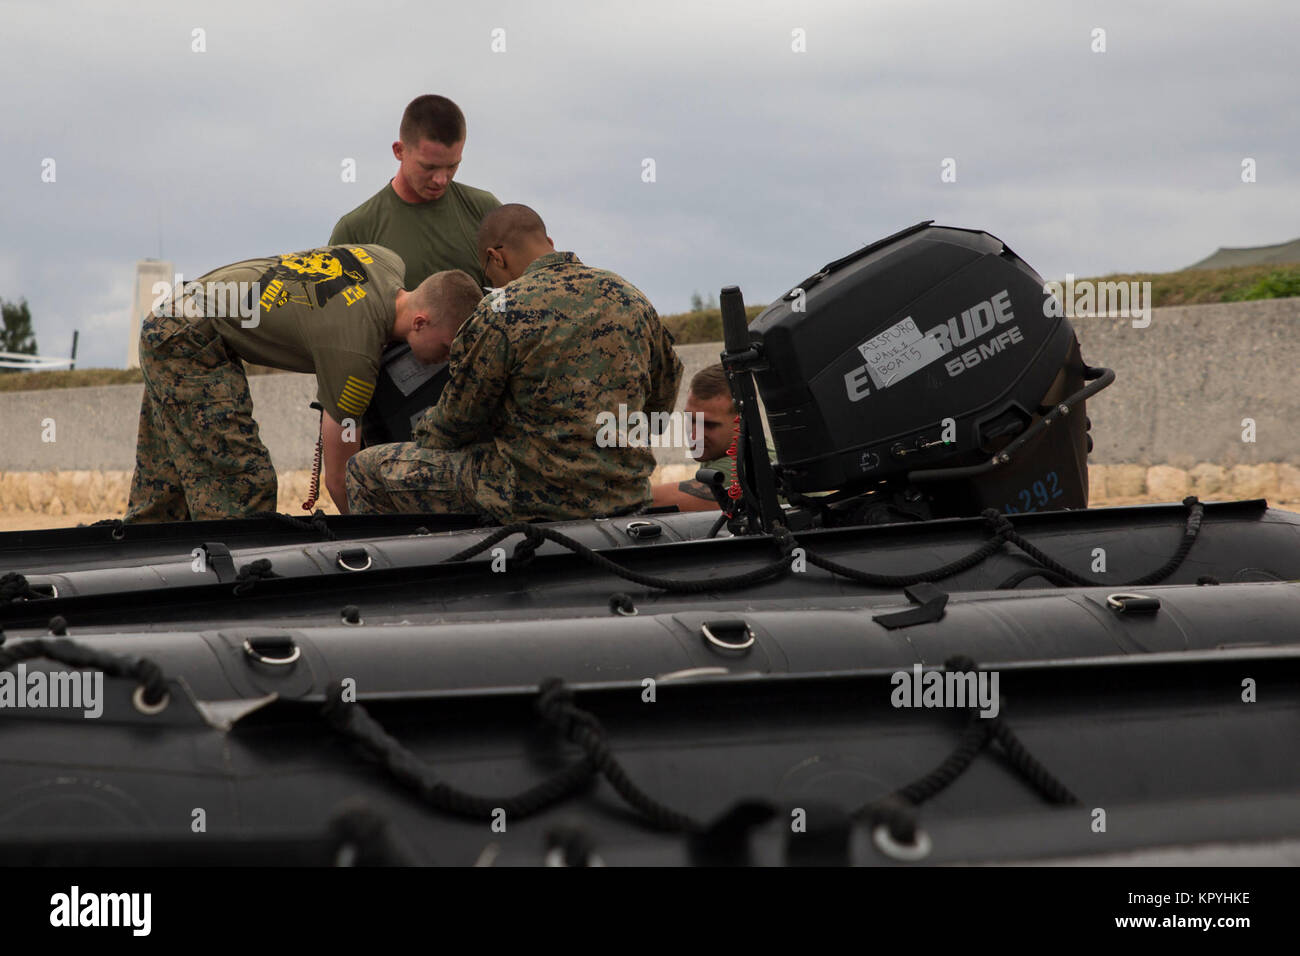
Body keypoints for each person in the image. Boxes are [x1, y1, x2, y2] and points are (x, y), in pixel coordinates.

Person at [345, 204, 684, 522]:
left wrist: (422, 431)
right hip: (626, 492)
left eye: (489, 275)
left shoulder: (501, 311)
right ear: (548, 242)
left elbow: (454, 424)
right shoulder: (630, 296)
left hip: (527, 496)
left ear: (496, 257)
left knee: (364, 470)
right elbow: (664, 393)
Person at [125, 245, 484, 522]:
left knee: (164, 481)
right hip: (186, 336)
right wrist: (378, 545)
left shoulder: (386, 260)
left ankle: (142, 555)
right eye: (447, 348)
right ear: (420, 323)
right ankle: (238, 592)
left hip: (178, 312)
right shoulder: (354, 356)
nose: (449, 360)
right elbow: (341, 480)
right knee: (241, 485)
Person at [329, 95, 500, 289]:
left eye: (452, 166)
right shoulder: (355, 232)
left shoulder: (485, 211)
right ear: (399, 151)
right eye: (429, 167)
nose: (441, 179)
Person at [650, 362, 784, 512]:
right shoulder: (718, 452)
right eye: (691, 419)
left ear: (742, 422)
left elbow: (648, 501)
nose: (694, 435)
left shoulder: (744, 464)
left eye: (709, 425)